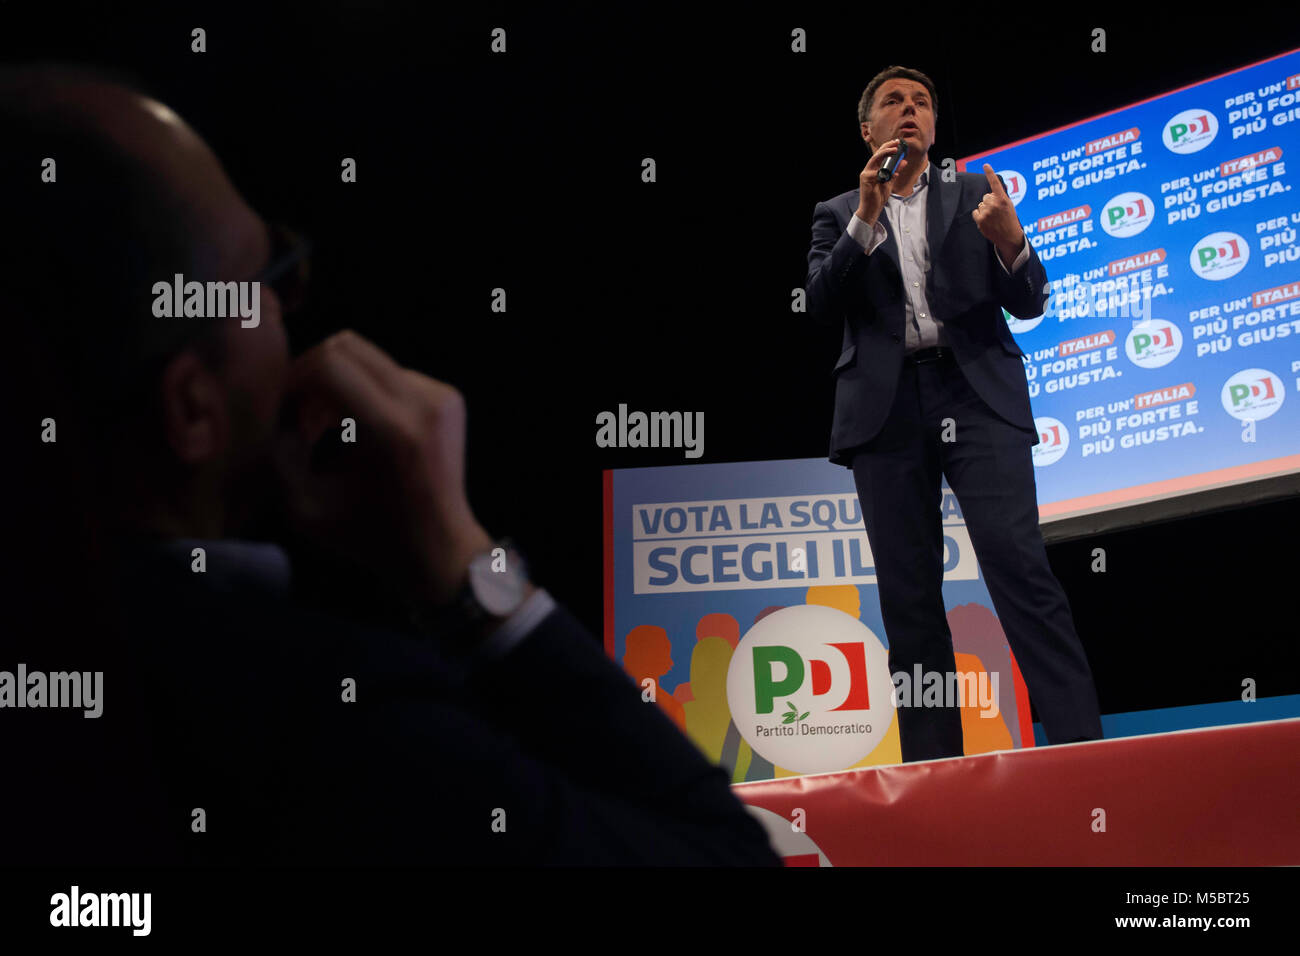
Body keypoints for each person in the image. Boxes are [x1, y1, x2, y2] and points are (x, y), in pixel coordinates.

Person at [0, 64, 780, 866]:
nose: (296, 310)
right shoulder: (312, 724)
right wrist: (465, 569)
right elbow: (728, 857)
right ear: (191, 409)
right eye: (271, 277)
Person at [805, 65, 1103, 762]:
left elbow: (1030, 301)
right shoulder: (837, 210)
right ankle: (936, 776)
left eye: (922, 103)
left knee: (1020, 569)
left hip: (975, 398)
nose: (910, 110)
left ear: (933, 125)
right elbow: (820, 304)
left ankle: (1086, 758)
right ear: (867, 129)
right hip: (885, 415)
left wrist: (1009, 241)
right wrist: (868, 215)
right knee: (909, 601)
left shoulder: (975, 193)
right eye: (893, 102)